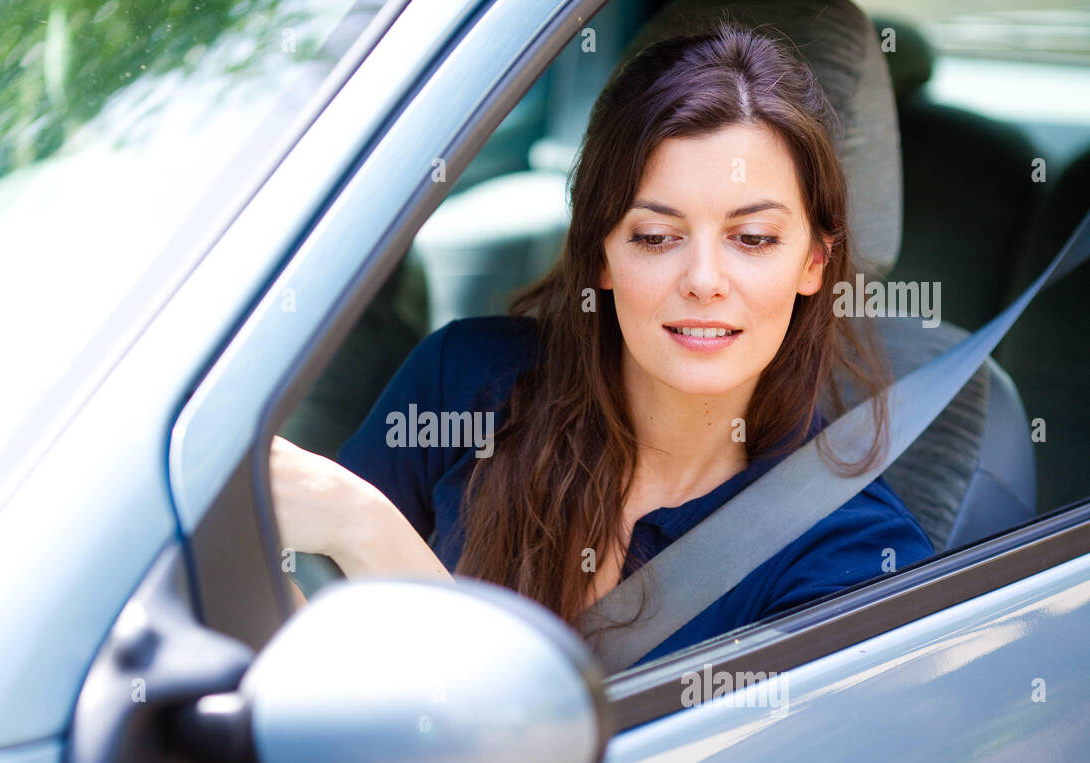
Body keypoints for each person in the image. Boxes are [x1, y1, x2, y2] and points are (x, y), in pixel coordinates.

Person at [268, 22, 935, 669]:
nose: (703, 281)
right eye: (655, 237)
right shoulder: (463, 382)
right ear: (602, 259)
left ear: (814, 263)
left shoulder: (859, 554)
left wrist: (363, 528)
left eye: (753, 239)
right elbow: (298, 641)